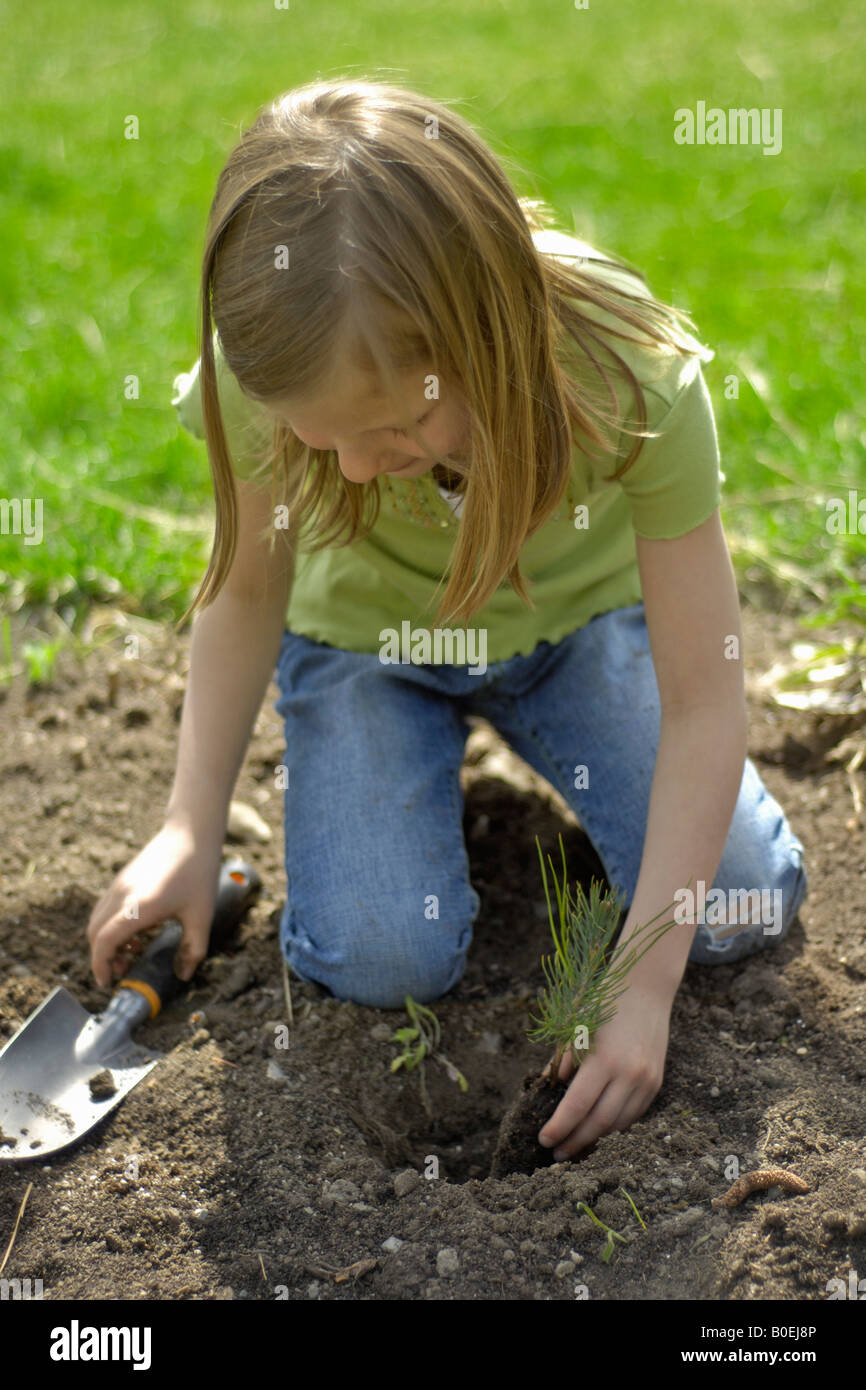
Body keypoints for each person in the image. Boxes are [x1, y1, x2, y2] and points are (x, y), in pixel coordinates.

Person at [87, 78, 807, 1161]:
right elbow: (242, 592)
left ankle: (561, 797)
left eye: (399, 419)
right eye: (323, 439)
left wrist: (643, 981)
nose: (360, 464)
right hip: (366, 652)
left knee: (736, 907)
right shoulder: (263, 370)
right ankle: (415, 775)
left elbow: (705, 698)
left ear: (490, 322)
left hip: (573, 637)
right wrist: (191, 824)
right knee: (383, 955)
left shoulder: (635, 377)